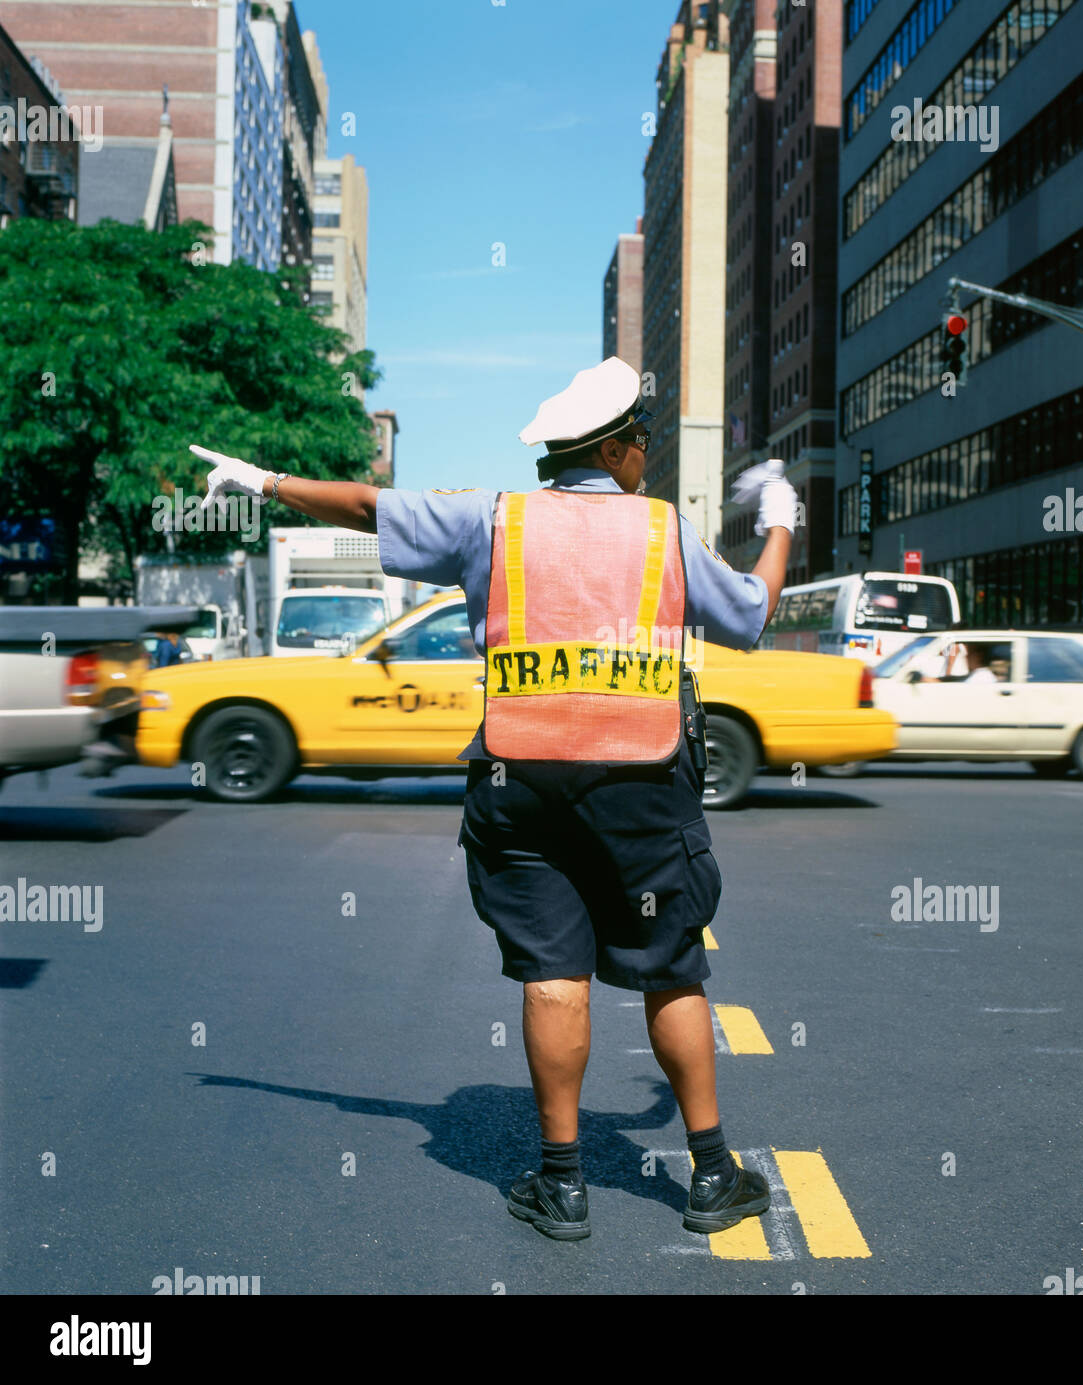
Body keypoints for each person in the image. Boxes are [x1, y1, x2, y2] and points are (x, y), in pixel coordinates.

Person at [190, 357, 796, 1243]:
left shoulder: (493, 518)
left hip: (519, 783)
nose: (646, 455)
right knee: (670, 965)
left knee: (554, 970)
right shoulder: (662, 529)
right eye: (641, 441)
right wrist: (779, 522)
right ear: (616, 449)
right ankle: (710, 1176)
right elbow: (749, 614)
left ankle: (563, 1184)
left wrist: (266, 480)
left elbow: (365, 506)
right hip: (642, 781)